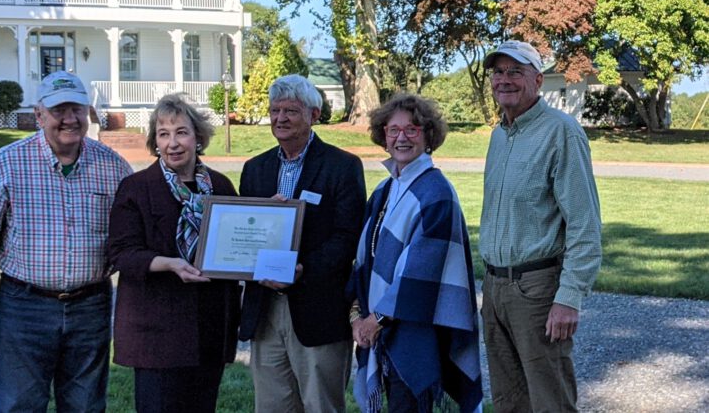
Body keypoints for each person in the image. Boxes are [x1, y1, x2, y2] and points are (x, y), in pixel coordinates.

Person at [0, 71, 133, 413]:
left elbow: (134, 238)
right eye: (58, 110)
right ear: (39, 115)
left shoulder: (113, 167)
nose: (69, 119)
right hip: (24, 307)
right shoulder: (9, 163)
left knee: (86, 406)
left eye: (77, 109)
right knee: (20, 405)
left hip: (90, 306)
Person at [480, 40, 602, 413]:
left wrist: (568, 298)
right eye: (498, 72)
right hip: (496, 286)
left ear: (537, 79)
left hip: (537, 290)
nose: (505, 80)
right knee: (509, 399)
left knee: (550, 399)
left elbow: (584, 224)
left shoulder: (561, 133)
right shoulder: (500, 134)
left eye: (515, 71)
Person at [238, 74, 366, 413]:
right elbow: (242, 232)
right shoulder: (254, 168)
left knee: (320, 404)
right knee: (272, 406)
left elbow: (347, 237)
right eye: (275, 110)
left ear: (314, 115)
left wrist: (301, 270)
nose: (280, 119)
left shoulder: (343, 166)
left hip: (317, 308)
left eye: (291, 111)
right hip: (265, 307)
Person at [348, 94, 482, 413]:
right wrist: (356, 315)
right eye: (393, 130)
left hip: (415, 331)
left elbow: (421, 273)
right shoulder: (385, 189)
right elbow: (365, 261)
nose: (401, 137)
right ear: (383, 135)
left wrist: (375, 320)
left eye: (412, 129)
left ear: (428, 134)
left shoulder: (436, 193)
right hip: (381, 326)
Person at [108, 94, 242, 413]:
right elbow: (121, 254)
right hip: (158, 333)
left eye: (181, 132)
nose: (173, 143)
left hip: (210, 326)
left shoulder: (220, 187)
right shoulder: (136, 188)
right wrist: (169, 264)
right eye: (163, 134)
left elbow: (240, 242)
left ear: (198, 137)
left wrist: (267, 219)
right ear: (155, 141)